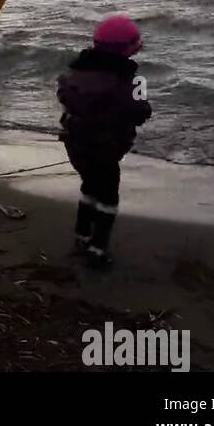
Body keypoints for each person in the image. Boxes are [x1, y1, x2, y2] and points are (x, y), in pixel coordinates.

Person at [57, 16, 152, 269]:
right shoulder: (127, 79)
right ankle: (98, 248)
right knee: (108, 196)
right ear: (127, 49)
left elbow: (64, 94)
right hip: (106, 149)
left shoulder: (75, 71)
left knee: (89, 186)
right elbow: (140, 111)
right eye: (135, 43)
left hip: (75, 144)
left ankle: (81, 235)